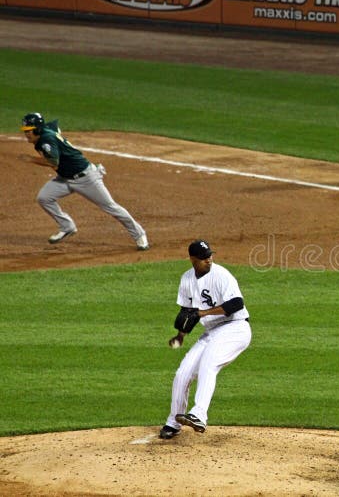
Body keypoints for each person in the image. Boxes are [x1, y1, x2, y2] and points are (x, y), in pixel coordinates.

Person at [159, 240, 252, 439]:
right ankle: (173, 422)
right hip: (211, 333)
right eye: (203, 258)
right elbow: (187, 312)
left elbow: (236, 303)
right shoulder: (186, 279)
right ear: (193, 259)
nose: (208, 260)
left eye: (210, 255)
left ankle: (199, 414)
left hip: (235, 328)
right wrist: (181, 335)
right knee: (182, 373)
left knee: (208, 363)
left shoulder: (221, 275)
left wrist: (203, 313)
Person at [20, 113, 149, 250]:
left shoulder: (46, 140)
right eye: (25, 131)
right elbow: (54, 125)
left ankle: (139, 235)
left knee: (111, 207)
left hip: (86, 179)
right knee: (44, 197)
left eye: (29, 131)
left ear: (38, 129)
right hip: (65, 179)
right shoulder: (45, 133)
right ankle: (67, 226)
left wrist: (31, 159)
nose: (26, 134)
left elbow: (54, 162)